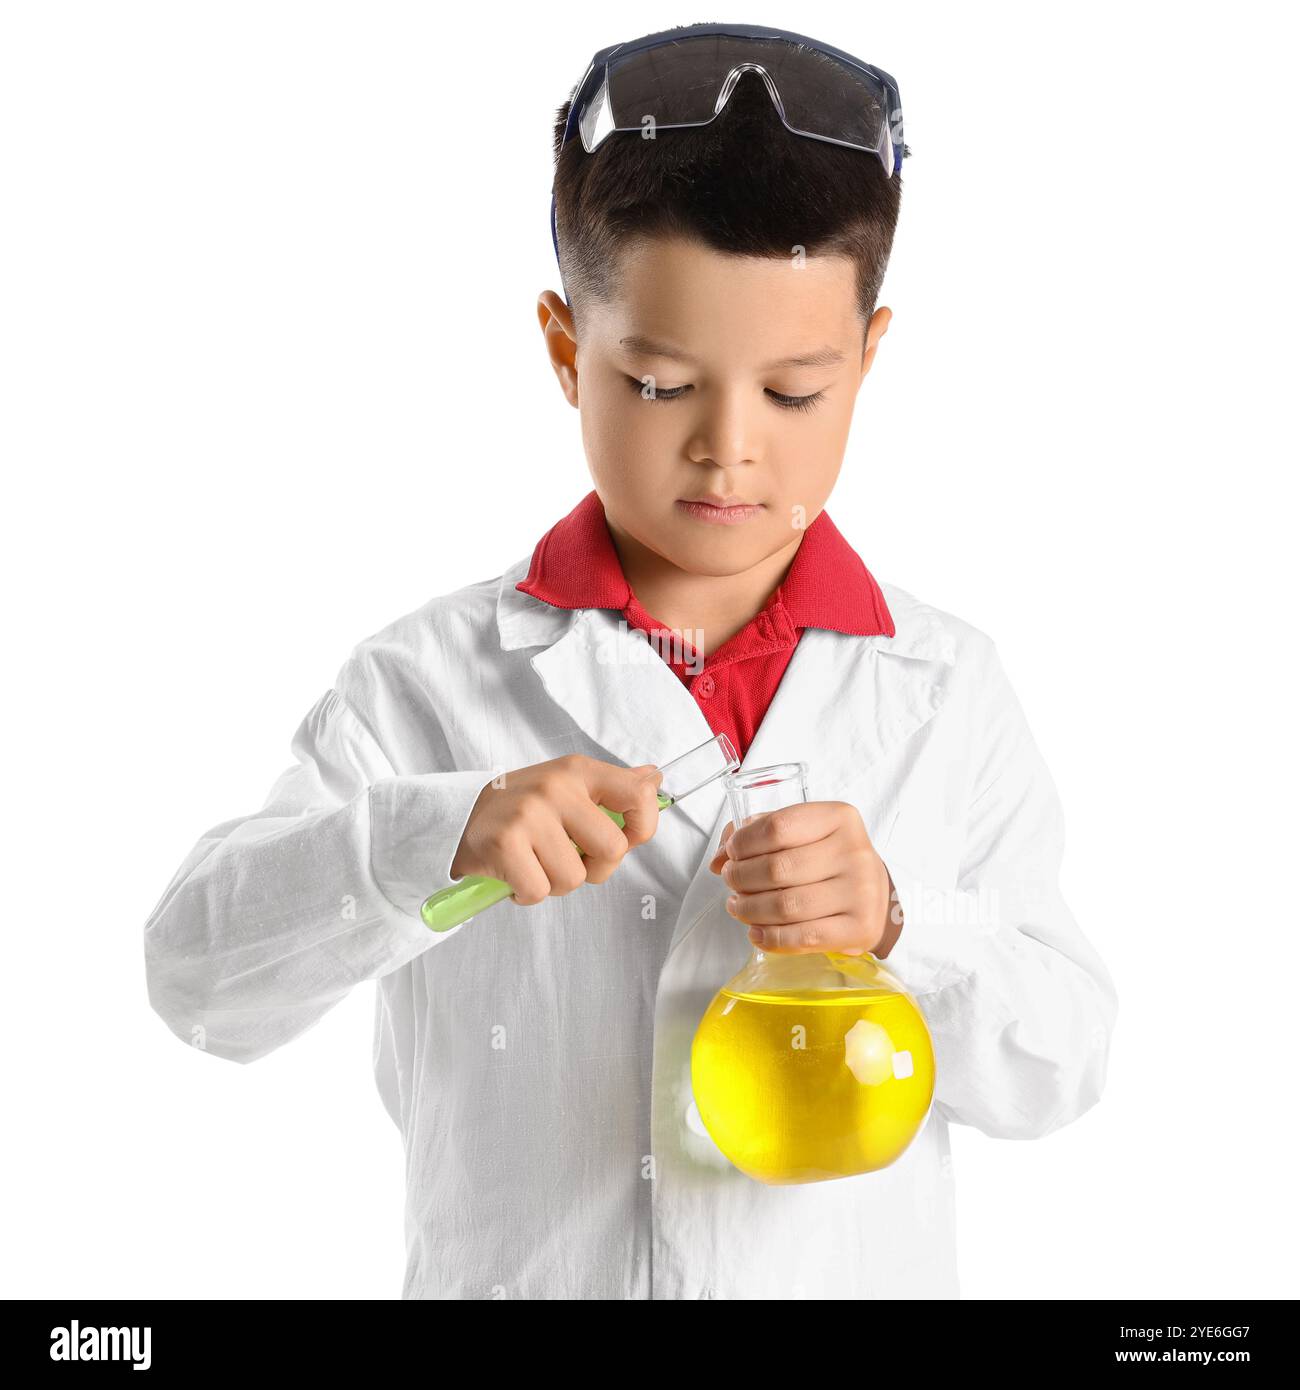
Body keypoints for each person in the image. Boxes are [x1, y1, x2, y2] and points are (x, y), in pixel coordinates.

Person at [144, 22, 1118, 1299]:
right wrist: (434, 838)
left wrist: (898, 922)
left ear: (867, 363)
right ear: (567, 351)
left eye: (793, 392)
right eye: (660, 385)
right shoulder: (424, 681)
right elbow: (197, 983)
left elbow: (1062, 1063)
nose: (728, 450)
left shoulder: (946, 688)